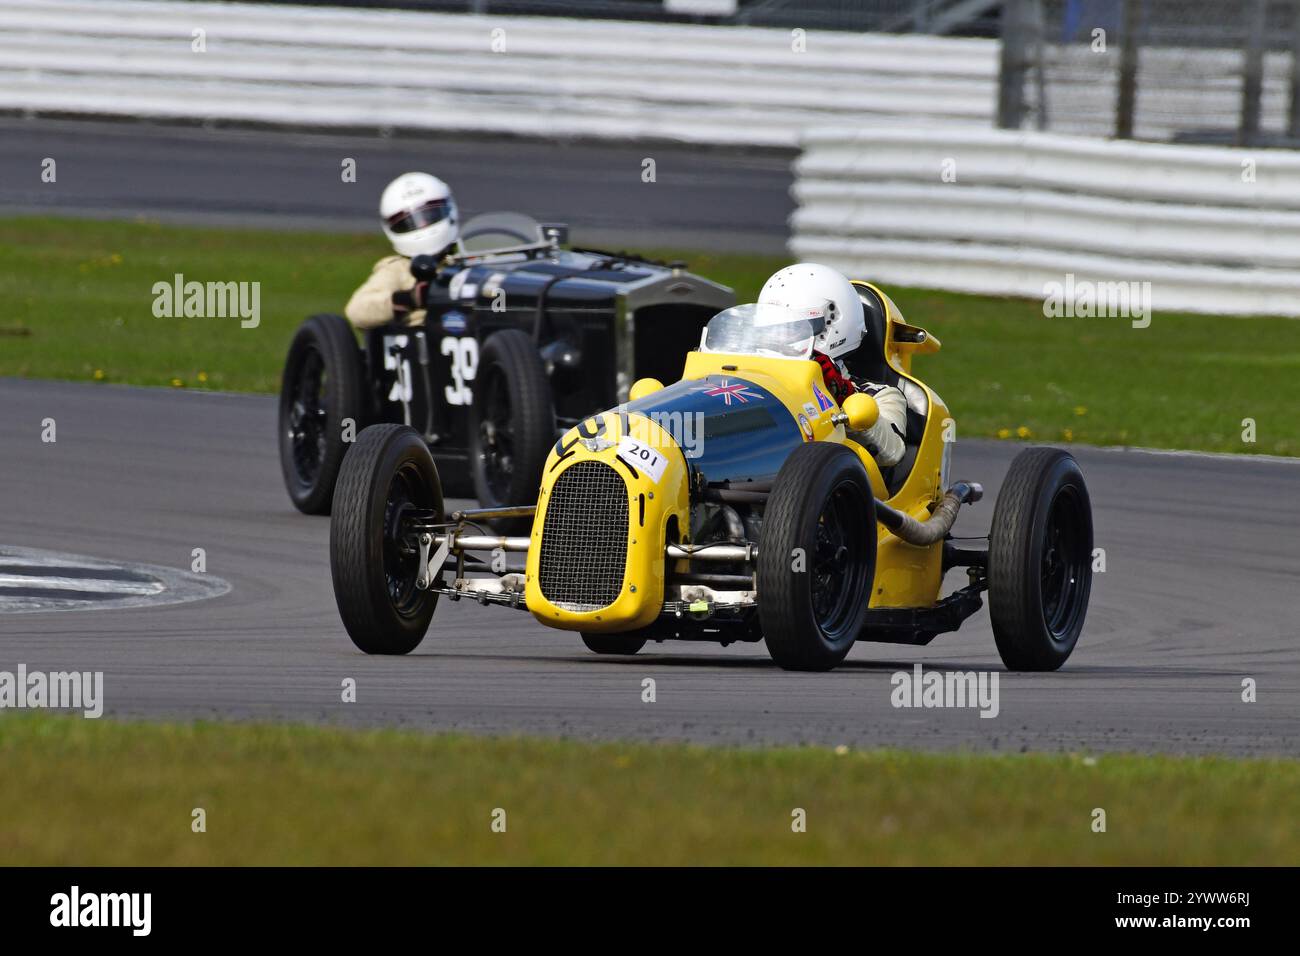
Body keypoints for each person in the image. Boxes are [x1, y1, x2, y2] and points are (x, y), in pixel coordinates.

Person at [758, 263, 909, 468]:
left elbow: (891, 453)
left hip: (829, 485)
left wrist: (843, 397)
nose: (780, 337)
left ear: (834, 322)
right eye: (773, 327)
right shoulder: (750, 378)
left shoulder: (878, 395)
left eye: (795, 327)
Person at [344, 172, 459, 329]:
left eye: (430, 215)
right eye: (408, 222)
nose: (423, 225)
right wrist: (409, 298)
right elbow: (357, 311)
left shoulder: (465, 260)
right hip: (421, 341)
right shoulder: (397, 269)